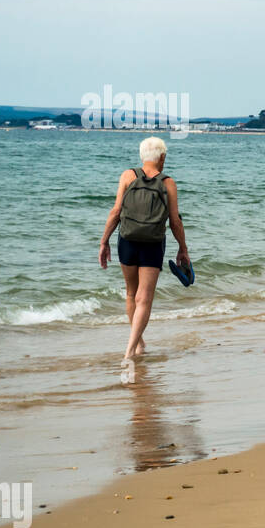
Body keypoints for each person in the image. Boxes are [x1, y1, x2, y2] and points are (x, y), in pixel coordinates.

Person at [99, 136, 190, 363]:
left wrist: (104, 242)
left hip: (127, 241)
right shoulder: (168, 183)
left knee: (131, 294)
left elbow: (115, 212)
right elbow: (175, 221)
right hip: (153, 244)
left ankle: (138, 343)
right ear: (162, 157)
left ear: (142, 156)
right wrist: (183, 249)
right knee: (145, 298)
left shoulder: (127, 176)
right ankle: (132, 348)